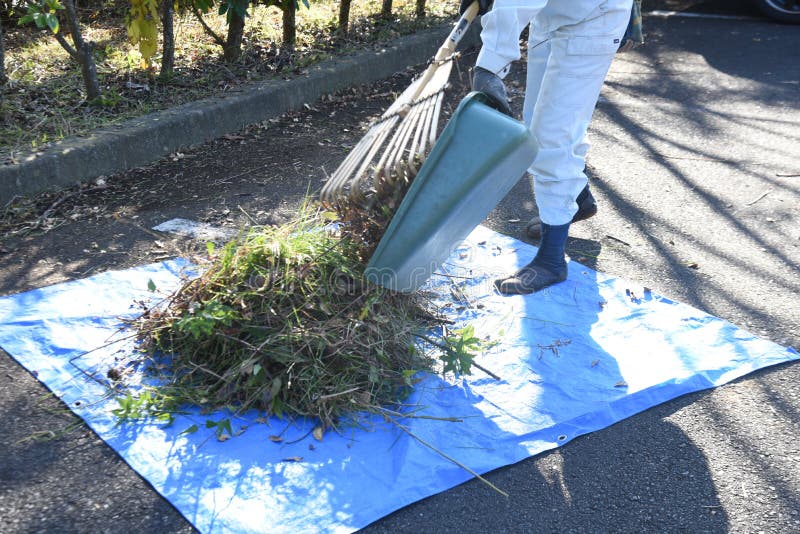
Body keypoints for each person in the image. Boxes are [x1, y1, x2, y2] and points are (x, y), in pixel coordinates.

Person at [460, 0, 635, 295]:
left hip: (595, 18)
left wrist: (489, 66)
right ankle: (577, 199)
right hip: (555, 12)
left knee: (553, 136)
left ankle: (551, 260)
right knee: (537, 125)